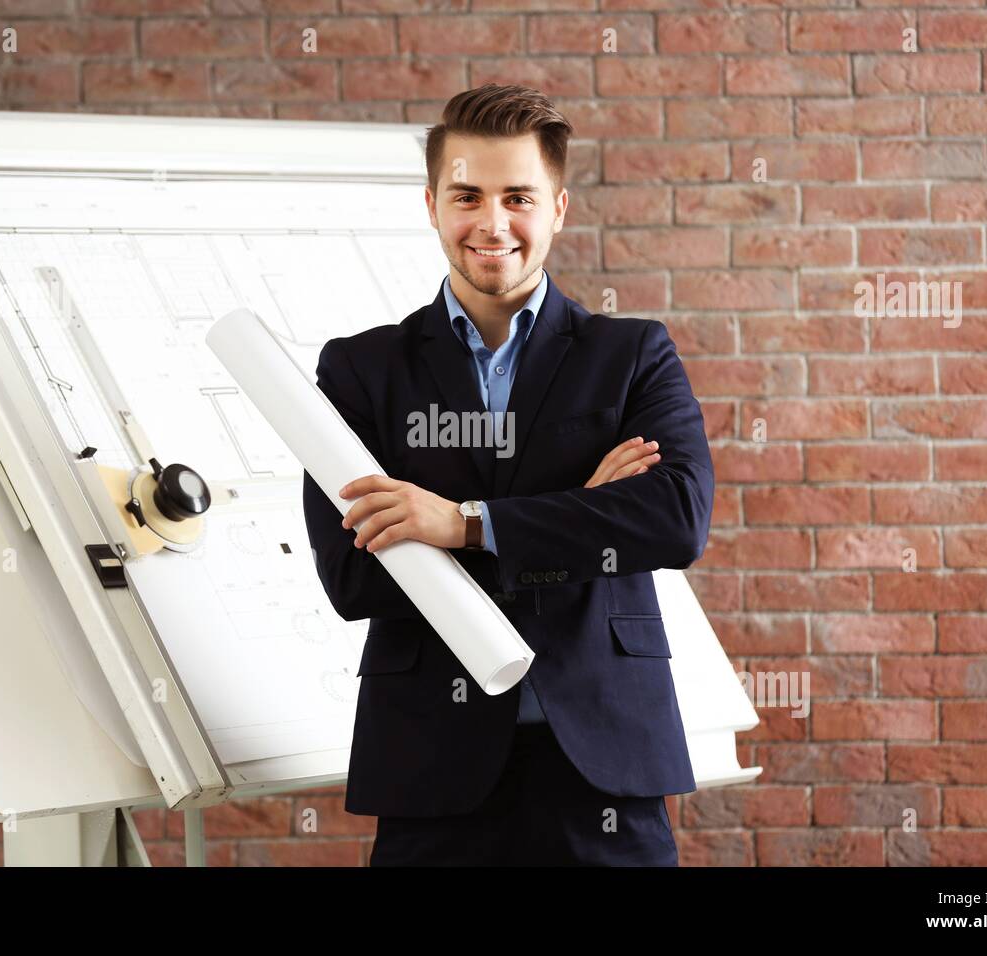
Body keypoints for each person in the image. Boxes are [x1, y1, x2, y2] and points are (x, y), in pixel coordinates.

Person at [301, 84, 714, 866]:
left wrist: (463, 523)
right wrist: (582, 514)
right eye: (467, 196)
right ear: (432, 204)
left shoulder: (631, 356)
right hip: (433, 776)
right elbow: (354, 580)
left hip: (603, 771)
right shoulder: (362, 370)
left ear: (558, 206)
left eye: (518, 196)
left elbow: (673, 520)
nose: (492, 224)